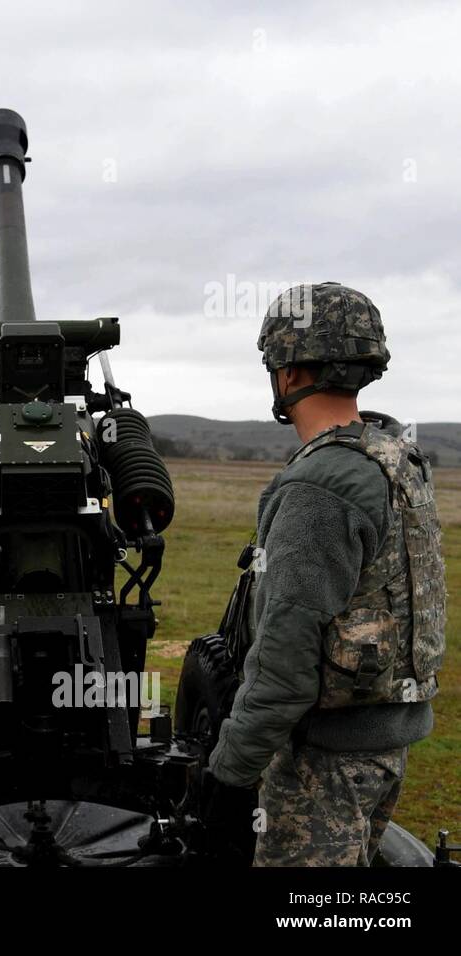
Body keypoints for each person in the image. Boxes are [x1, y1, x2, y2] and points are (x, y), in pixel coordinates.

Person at [208, 282, 445, 866]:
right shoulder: (395, 459)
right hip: (387, 745)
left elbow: (285, 662)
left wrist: (228, 777)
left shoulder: (320, 484)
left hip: (325, 761)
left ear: (286, 374)